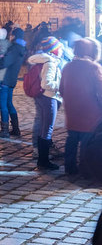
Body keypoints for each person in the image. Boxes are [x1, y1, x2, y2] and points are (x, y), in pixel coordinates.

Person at [60, 37, 102, 176]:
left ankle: (69, 166)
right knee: (86, 141)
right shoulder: (94, 68)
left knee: (71, 139)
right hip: (91, 113)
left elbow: (61, 89)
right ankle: (85, 168)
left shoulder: (68, 66)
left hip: (72, 111)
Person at [27, 36, 64, 170]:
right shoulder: (50, 63)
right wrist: (61, 85)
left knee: (44, 127)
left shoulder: (46, 61)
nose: (61, 50)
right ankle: (43, 160)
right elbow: (46, 83)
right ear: (54, 50)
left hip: (43, 97)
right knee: (47, 129)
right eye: (59, 48)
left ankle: (43, 159)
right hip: (49, 97)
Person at [0, 27, 27, 138]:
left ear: (14, 36)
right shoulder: (21, 48)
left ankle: (5, 131)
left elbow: (5, 62)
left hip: (5, 79)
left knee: (3, 105)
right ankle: (15, 129)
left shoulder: (14, 49)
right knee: (9, 104)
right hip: (11, 79)